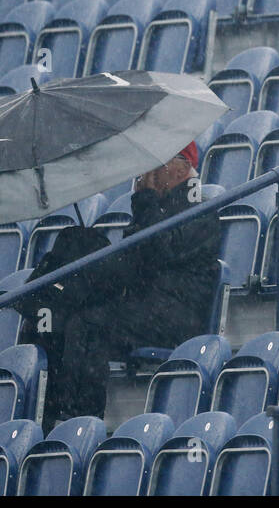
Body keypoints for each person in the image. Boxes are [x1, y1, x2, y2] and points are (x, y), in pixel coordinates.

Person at [20, 141, 221, 429]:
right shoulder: (156, 210)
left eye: (153, 167)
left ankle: (81, 419)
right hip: (148, 307)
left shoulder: (201, 212)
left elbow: (159, 249)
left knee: (90, 323)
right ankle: (49, 410)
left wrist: (146, 199)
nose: (144, 177)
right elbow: (135, 264)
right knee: (56, 315)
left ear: (180, 166)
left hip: (176, 316)